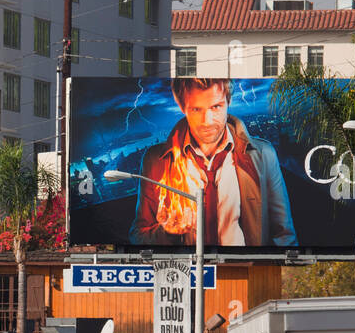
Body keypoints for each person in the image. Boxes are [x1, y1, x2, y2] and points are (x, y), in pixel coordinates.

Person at [127, 78, 297, 248]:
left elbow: (284, 235)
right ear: (182, 107)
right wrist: (167, 233)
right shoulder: (156, 160)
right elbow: (138, 237)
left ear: (228, 102)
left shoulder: (263, 155)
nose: (207, 121)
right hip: (188, 271)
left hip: (244, 270)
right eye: (196, 109)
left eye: (216, 107)